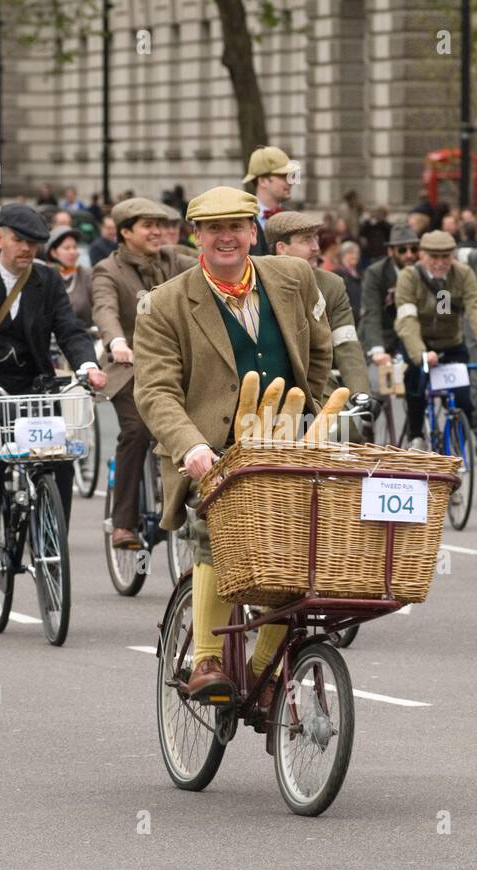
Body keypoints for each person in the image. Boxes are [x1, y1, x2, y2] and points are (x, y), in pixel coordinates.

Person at [135, 186, 331, 706]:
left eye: (237, 227)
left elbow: (319, 350)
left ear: (253, 232)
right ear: (197, 236)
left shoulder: (292, 277)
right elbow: (154, 392)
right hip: (210, 452)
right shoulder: (164, 304)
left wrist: (313, 413)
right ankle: (206, 658)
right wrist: (191, 448)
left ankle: (263, 672)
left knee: (299, 551)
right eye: (213, 228)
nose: (226, 237)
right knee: (216, 529)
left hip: (285, 442)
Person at [0, 204, 106, 553]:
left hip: (34, 381)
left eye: (33, 243)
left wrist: (87, 366)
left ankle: (52, 526)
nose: (26, 250)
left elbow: (69, 330)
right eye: (19, 240)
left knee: (59, 448)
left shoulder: (46, 279)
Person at [92, 198, 195, 550]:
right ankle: (123, 522)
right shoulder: (108, 270)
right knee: (136, 429)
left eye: (160, 224)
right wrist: (117, 340)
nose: (157, 232)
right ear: (124, 232)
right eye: (147, 225)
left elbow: (209, 269)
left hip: (176, 363)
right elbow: (105, 309)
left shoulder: (174, 260)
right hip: (130, 366)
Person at [394, 229, 477, 455]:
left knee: (462, 396)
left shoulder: (463, 274)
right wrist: (420, 354)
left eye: (446, 257)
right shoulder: (409, 277)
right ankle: (417, 437)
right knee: (415, 386)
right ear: (422, 255)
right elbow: (407, 319)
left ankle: (463, 438)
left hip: (451, 343)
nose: (440, 263)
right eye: (434, 257)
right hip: (418, 343)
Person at [265, 211, 372, 409]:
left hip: (318, 386)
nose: (316, 247)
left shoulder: (332, 285)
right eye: (306, 240)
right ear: (282, 248)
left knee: (344, 434)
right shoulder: (258, 282)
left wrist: (360, 392)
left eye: (316, 238)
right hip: (268, 386)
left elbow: (345, 342)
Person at [359, 223, 419, 366]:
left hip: (416, 338)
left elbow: (443, 306)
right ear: (391, 252)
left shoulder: (428, 270)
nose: (409, 255)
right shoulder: (376, 273)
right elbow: (372, 313)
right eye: (403, 250)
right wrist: (378, 349)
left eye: (414, 249)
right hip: (383, 336)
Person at [243, 146, 296, 257]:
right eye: (283, 177)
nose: (291, 182)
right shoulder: (243, 218)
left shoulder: (293, 218)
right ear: (263, 181)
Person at [45, 225, 94, 329]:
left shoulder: (87, 275)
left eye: (75, 247)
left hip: (86, 338)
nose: (72, 252)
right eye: (66, 248)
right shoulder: (45, 277)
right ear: (53, 253)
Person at [334, 240, 363, 323]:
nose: (355, 255)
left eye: (357, 253)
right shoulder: (337, 274)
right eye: (350, 252)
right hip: (346, 318)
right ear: (342, 255)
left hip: (360, 317)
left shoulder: (360, 273)